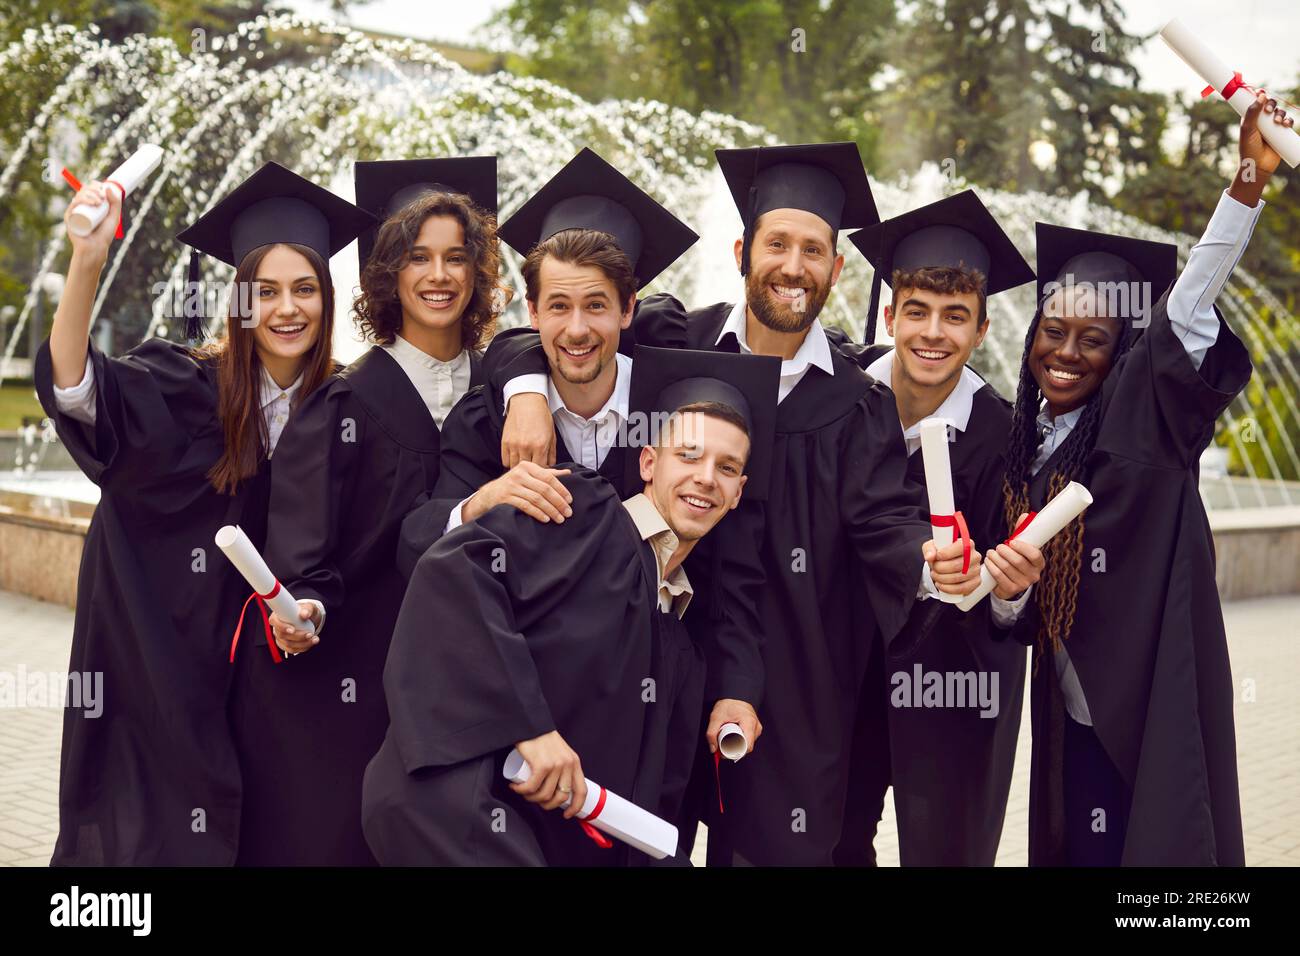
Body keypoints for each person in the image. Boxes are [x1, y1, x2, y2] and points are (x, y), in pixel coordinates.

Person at [487, 142, 985, 865]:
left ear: (837, 270)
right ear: (742, 251)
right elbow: (558, 332)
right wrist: (526, 391)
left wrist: (931, 561)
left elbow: (887, 523)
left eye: (813, 250)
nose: (793, 266)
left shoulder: (857, 403)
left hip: (793, 688)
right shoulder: (672, 337)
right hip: (652, 665)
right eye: (776, 244)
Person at [33, 161, 374, 864]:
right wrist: (86, 264)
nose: (287, 309)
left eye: (305, 290)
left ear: (328, 300)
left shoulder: (345, 410)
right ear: (239, 303)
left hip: (275, 696)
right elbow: (75, 391)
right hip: (160, 681)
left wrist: (313, 609)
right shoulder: (184, 388)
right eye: (266, 291)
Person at [1003, 92, 1291, 866]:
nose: (1066, 352)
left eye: (1093, 339)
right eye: (1052, 332)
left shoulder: (1146, 413)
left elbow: (1190, 304)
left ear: (1123, 352)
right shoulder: (1021, 441)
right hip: (1067, 708)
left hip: (1147, 699)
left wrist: (1244, 186)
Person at [361, 346, 780, 865]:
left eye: (726, 467)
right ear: (648, 461)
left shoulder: (679, 635)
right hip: (458, 804)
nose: (705, 478)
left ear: (738, 493)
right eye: (689, 455)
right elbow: (455, 574)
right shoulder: (582, 511)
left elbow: (647, 800)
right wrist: (530, 727)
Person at [250, 157, 505, 864]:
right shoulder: (342, 404)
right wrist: (306, 608)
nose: (439, 275)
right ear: (388, 273)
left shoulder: (507, 388)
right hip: (359, 692)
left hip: (483, 696)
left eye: (458, 257)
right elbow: (303, 559)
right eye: (418, 257)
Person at [833, 190, 1043, 865]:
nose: (933, 333)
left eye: (956, 318)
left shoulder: (1005, 434)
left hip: (953, 683)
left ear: (982, 331)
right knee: (830, 843)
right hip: (834, 678)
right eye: (917, 312)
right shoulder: (832, 396)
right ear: (890, 315)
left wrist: (1009, 591)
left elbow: (1015, 598)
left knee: (947, 852)